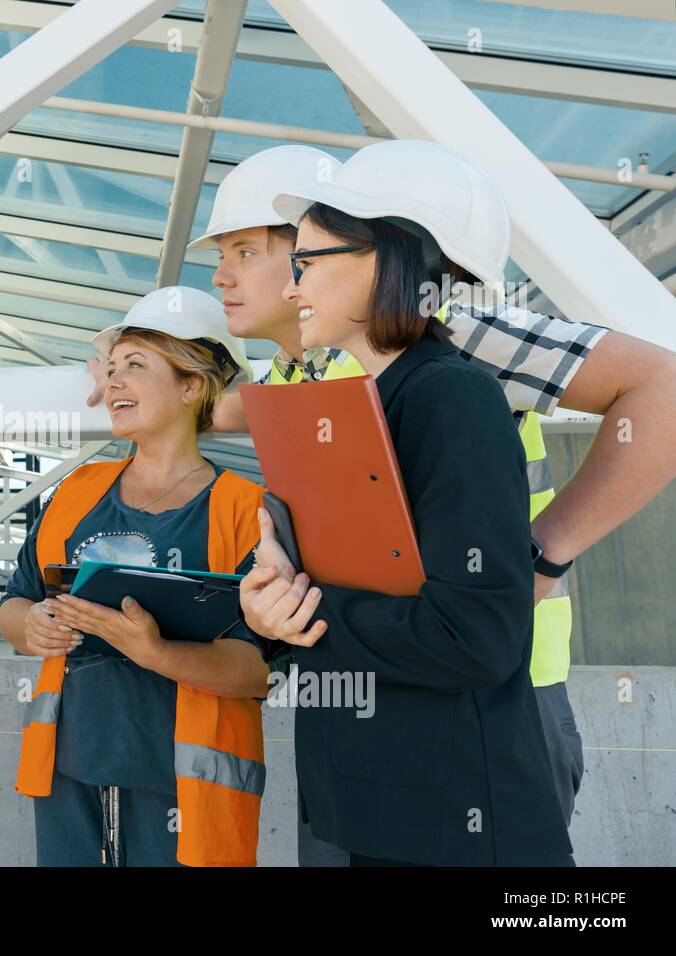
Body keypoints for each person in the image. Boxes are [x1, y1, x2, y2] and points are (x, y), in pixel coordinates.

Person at [87, 140, 676, 864]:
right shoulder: (308, 376)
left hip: (483, 708)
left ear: (374, 252)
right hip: (372, 713)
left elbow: (664, 389)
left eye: (250, 251)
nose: (223, 275)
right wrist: (128, 365)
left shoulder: (463, 342)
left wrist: (541, 555)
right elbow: (200, 408)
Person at [237, 140, 575, 865]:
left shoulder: (451, 398)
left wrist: (309, 610)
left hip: (456, 823)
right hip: (382, 806)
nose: (292, 289)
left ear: (388, 258)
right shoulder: (359, 405)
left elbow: (476, 636)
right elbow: (326, 582)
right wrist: (265, 607)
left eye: (307, 264)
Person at [1, 286, 271, 866]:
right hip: (69, 772)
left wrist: (153, 650)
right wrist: (33, 627)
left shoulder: (246, 511)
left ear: (191, 386)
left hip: (186, 785)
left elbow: (255, 669)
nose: (114, 382)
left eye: (137, 366)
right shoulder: (76, 491)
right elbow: (15, 603)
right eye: (113, 367)